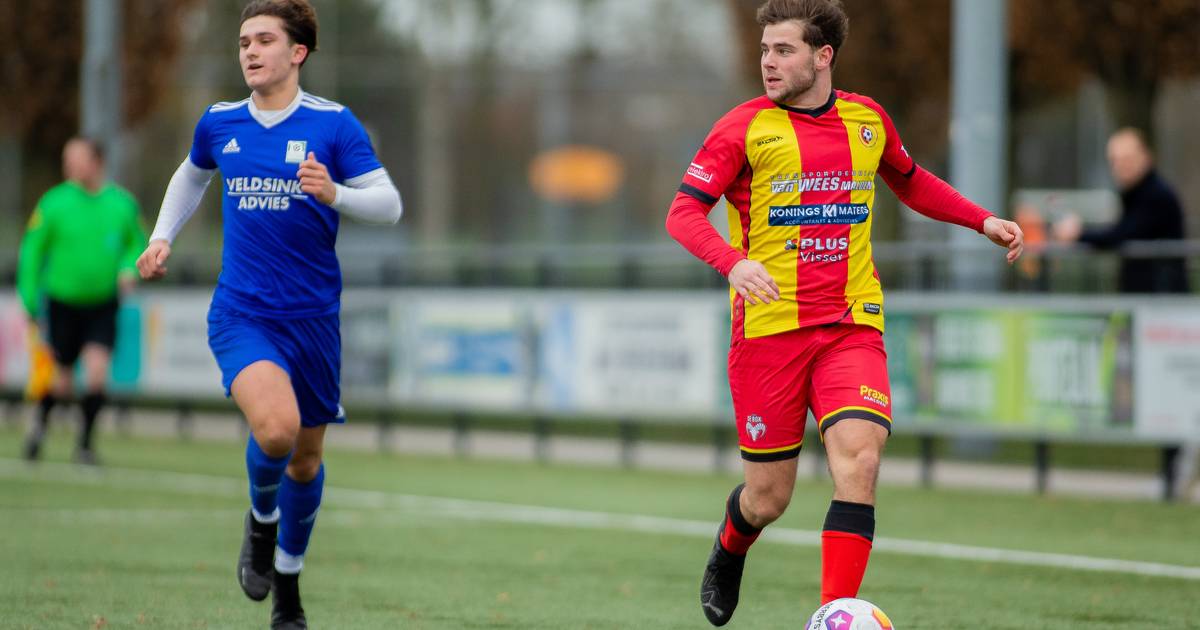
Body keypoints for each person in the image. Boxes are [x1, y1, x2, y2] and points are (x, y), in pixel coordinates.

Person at [664, 0, 1023, 625]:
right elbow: (683, 213)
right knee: (768, 498)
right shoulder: (742, 129)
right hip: (769, 335)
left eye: (784, 51)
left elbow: (910, 180)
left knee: (860, 459)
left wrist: (982, 219)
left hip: (850, 326)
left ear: (822, 56)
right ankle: (730, 546)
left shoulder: (867, 120)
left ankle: (835, 615)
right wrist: (734, 263)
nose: (768, 63)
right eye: (765, 51)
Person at [136, 1, 402, 628]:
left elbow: (388, 205)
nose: (249, 52)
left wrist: (334, 192)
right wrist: (160, 236)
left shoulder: (333, 126)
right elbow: (192, 174)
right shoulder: (221, 122)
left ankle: (287, 582)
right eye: (242, 42)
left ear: (297, 53)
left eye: (263, 40)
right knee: (276, 430)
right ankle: (260, 523)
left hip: (312, 322)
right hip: (242, 312)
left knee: (306, 460)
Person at [17, 137, 145, 465]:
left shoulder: (121, 204)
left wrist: (130, 268)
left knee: (97, 373)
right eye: (67, 159)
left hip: (102, 303)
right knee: (61, 381)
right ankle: (40, 427)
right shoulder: (53, 203)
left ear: (98, 162)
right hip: (62, 302)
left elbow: (138, 245)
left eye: (77, 159)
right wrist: (29, 299)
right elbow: (32, 251)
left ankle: (85, 444)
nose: (70, 165)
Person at [1053, 128, 1189, 293]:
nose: (1120, 166)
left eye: (1127, 159)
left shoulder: (1155, 195)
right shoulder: (1137, 193)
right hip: (1148, 296)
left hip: (1160, 299)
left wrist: (1079, 233)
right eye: (1114, 160)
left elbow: (1122, 234)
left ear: (1146, 156)